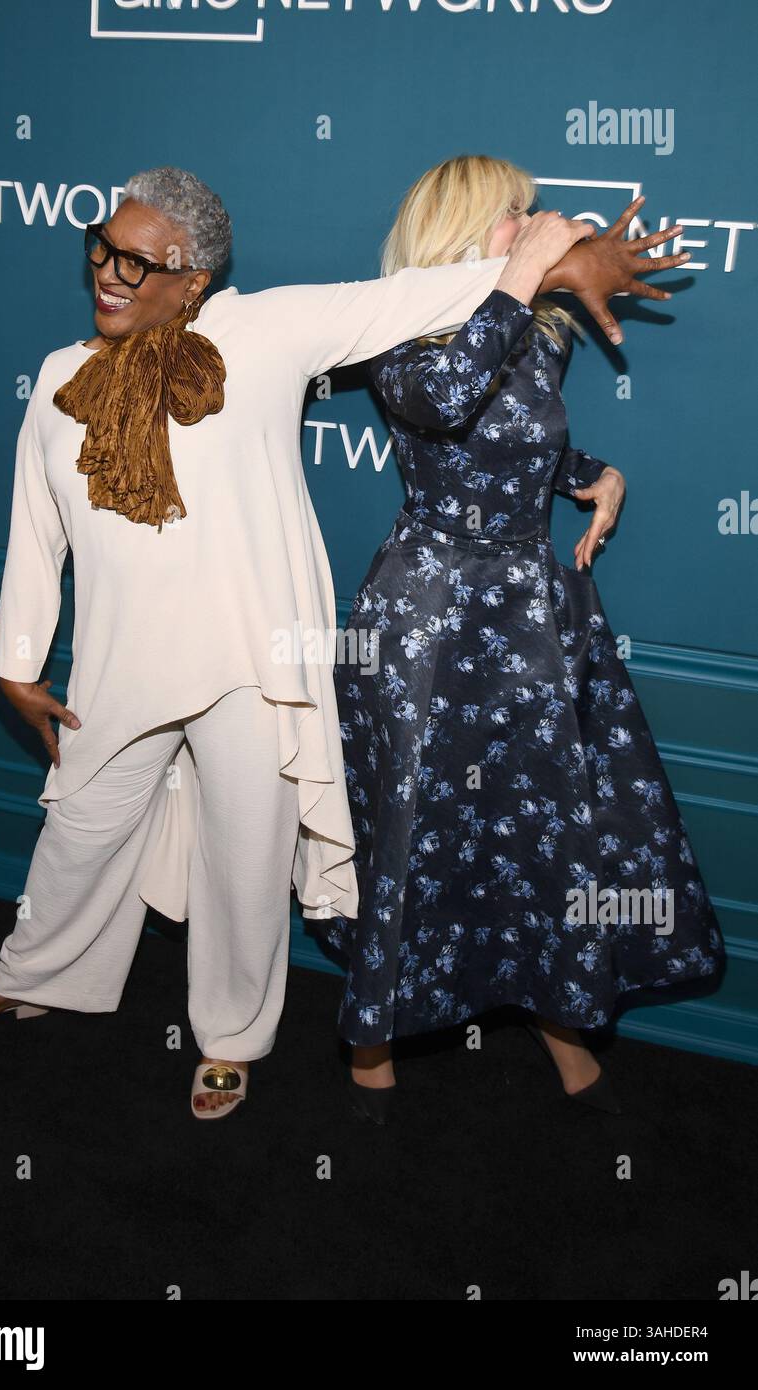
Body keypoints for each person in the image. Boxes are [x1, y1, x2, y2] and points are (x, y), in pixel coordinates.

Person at [0, 164, 691, 1123]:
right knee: (76, 836)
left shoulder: (264, 331)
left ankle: (230, 1038)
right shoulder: (61, 378)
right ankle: (24, 976)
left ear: (191, 274)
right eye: (99, 251)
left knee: (247, 860)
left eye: (136, 260)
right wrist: (17, 658)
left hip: (253, 668)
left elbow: (410, 296)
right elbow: (38, 523)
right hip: (124, 660)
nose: (108, 274)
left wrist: (555, 260)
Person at [321, 155, 724, 1124]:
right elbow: (443, 400)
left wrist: (593, 470)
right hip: (425, 616)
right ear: (471, 226)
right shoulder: (400, 320)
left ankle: (556, 1007)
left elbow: (512, 437)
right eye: (522, 214)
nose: (542, 226)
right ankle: (373, 1022)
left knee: (546, 821)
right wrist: (525, 271)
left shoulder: (539, 332)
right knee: (413, 822)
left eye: (537, 213)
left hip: (531, 611)